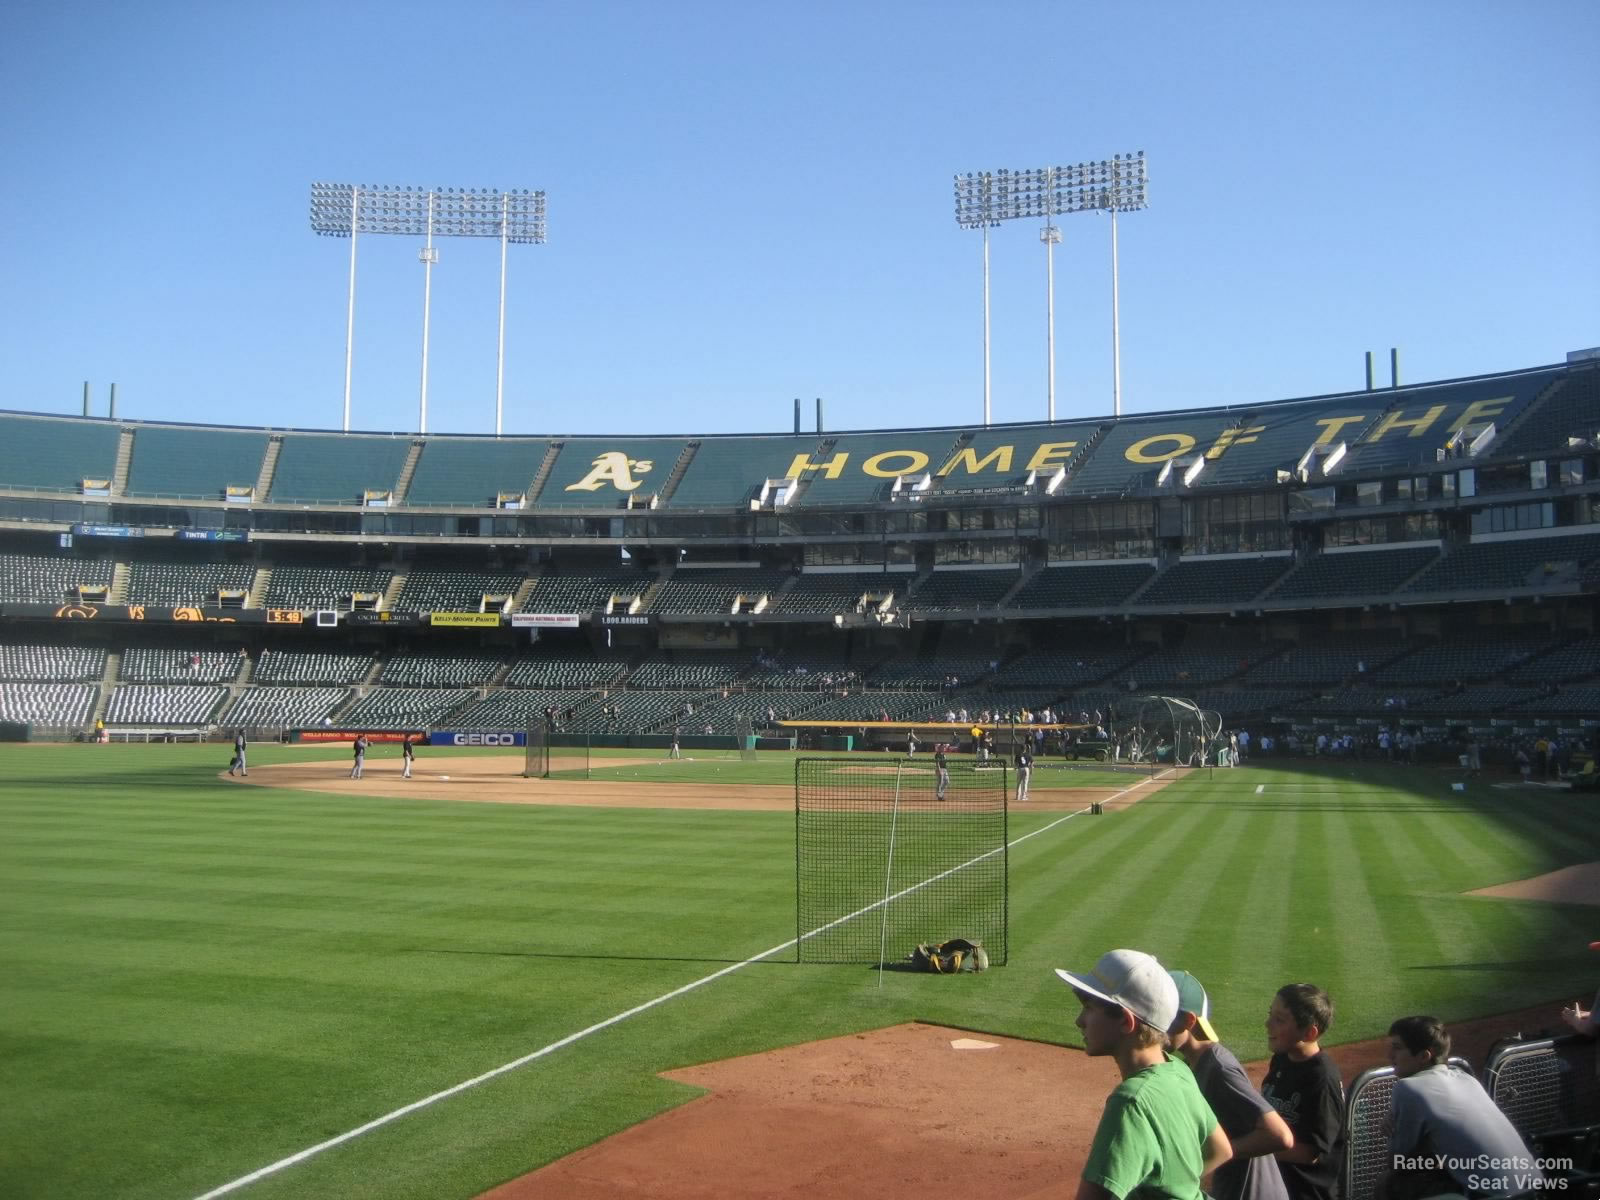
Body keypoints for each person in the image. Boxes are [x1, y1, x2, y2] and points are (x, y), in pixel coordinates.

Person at [1056, 949, 1232, 1200]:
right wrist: (1174, 1183)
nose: (1079, 1020)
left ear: (1126, 1022)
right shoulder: (1178, 1070)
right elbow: (1220, 1150)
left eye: (1089, 1008)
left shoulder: (1131, 1101)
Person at [1378, 1015, 1540, 1200]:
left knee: (1389, 1182)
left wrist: (1390, 1128)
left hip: (1493, 1195)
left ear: (1424, 1056)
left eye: (1397, 1048)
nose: (1389, 1055)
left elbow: (1397, 1162)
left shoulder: (1408, 1088)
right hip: (1533, 1189)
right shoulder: (1466, 1078)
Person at [1166, 970, 1293, 1200]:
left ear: (1188, 1021)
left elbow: (1280, 1135)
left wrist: (1220, 1152)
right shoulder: (1191, 1064)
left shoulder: (1219, 1069)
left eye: (1164, 1016)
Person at [1261, 983, 1345, 1200]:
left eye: (1280, 1019)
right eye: (1271, 1015)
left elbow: (1310, 1153)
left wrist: (1252, 1147)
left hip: (1307, 1193)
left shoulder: (1321, 1078)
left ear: (1309, 1033)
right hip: (1278, 1187)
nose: (1267, 1024)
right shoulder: (1281, 1059)